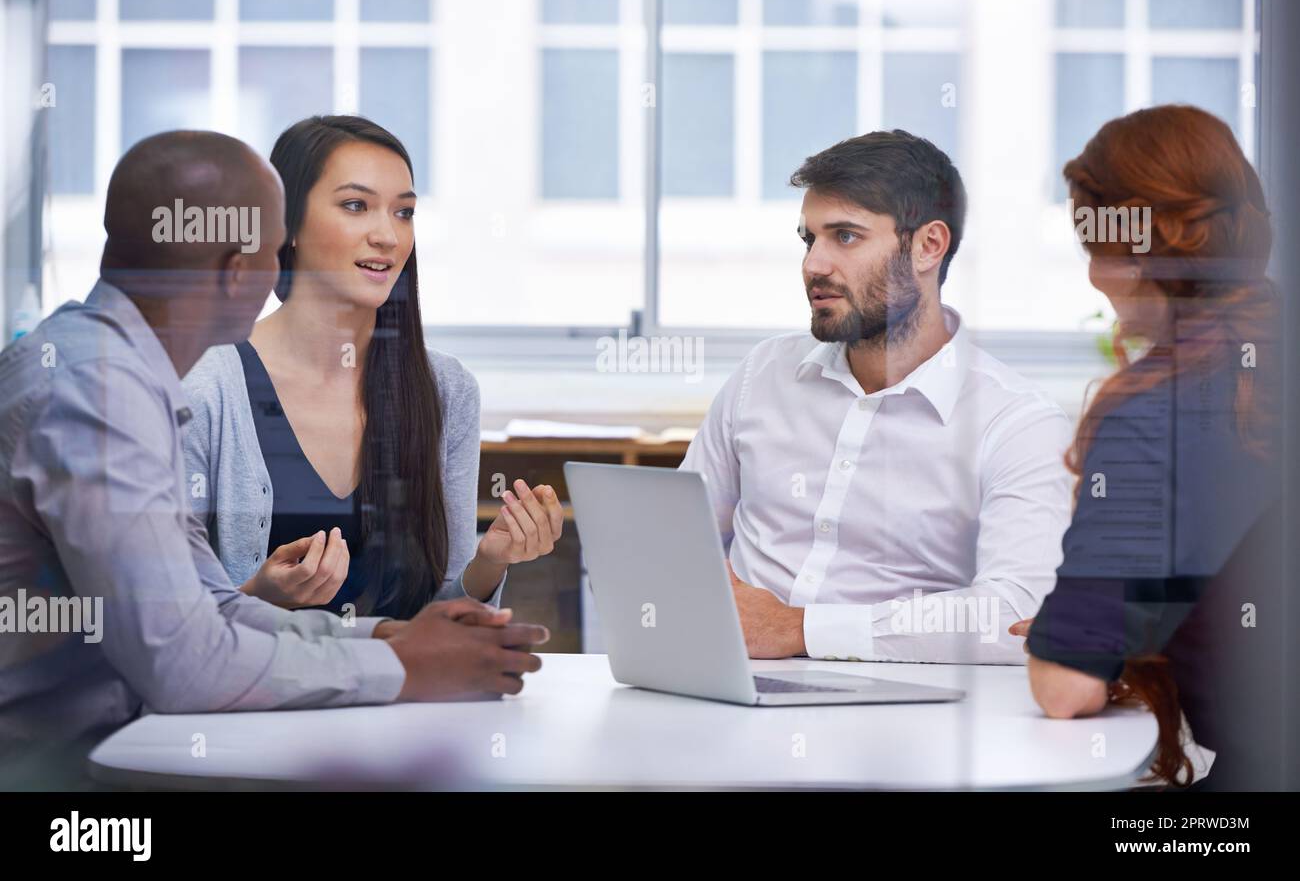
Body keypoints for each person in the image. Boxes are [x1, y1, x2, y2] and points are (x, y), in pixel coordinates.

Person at [0, 131, 547, 789]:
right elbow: (184, 664)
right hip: (59, 780)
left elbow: (209, 608)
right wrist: (403, 669)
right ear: (240, 270)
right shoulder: (98, 396)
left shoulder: (115, 373)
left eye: (402, 211)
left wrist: (387, 641)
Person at [680, 130, 1073, 663]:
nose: (814, 264)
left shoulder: (1017, 423)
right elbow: (674, 538)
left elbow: (1016, 613)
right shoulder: (764, 373)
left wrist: (799, 631)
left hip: (897, 710)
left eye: (844, 237)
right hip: (727, 682)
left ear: (928, 246)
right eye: (809, 239)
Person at [182, 115, 562, 617]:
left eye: (404, 213)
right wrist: (258, 599)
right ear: (286, 224)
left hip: (400, 691)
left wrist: (489, 563)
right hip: (262, 692)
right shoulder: (203, 388)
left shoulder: (446, 390)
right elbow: (165, 625)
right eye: (356, 206)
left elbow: (441, 613)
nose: (387, 236)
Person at [1016, 105, 1284, 790]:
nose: (1092, 278)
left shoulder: (1154, 412)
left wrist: (1072, 637)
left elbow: (1066, 688)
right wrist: (1099, 613)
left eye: (1093, 249)